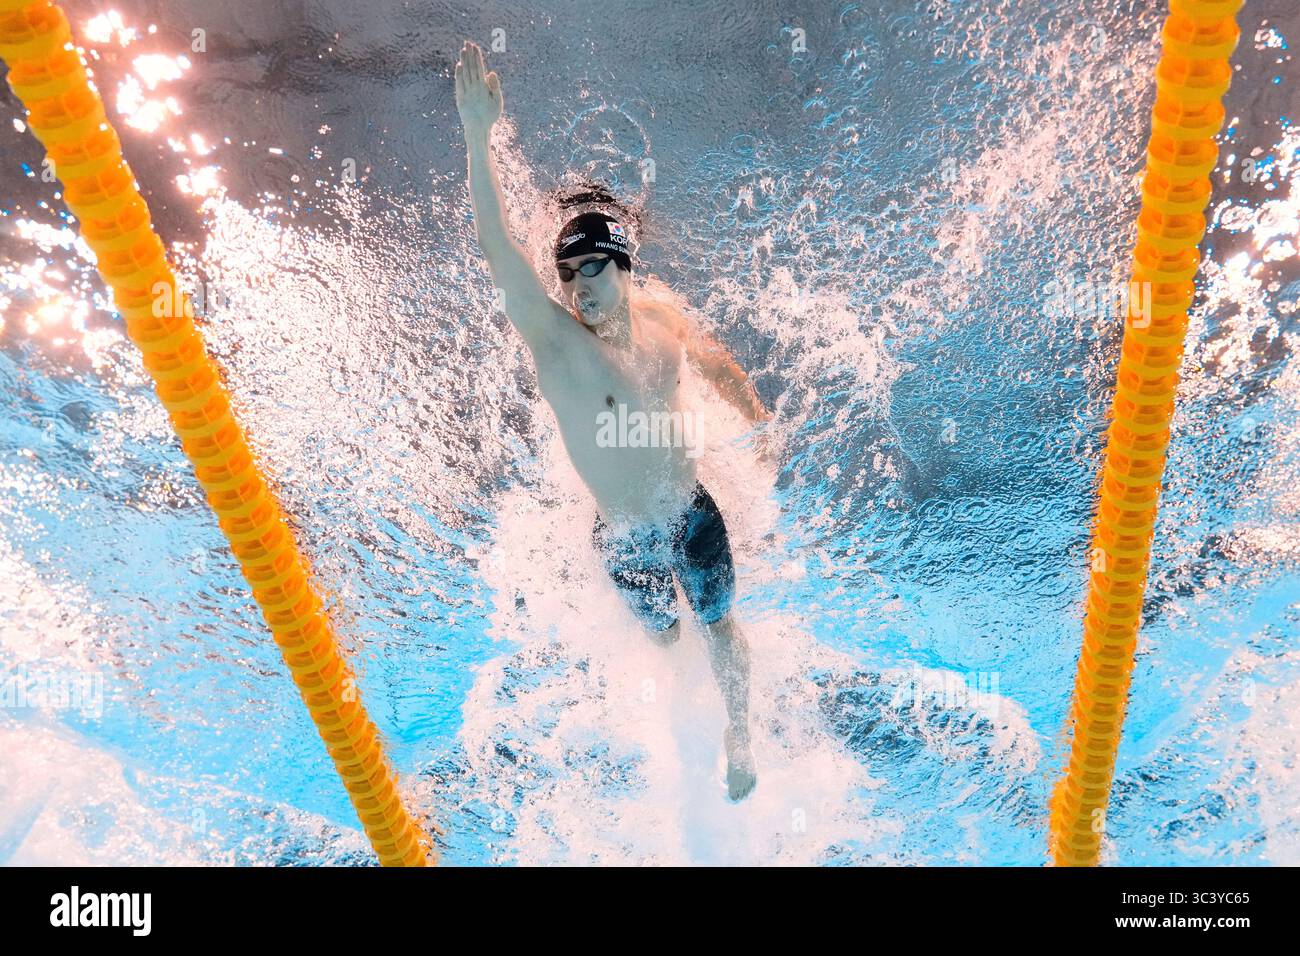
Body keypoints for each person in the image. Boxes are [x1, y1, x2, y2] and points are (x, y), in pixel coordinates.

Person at [455, 40, 771, 800]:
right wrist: (477, 135)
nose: (575, 290)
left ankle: (739, 730)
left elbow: (718, 362)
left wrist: (760, 426)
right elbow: (496, 249)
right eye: (565, 276)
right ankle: (681, 721)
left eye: (589, 270)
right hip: (624, 536)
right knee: (666, 638)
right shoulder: (561, 349)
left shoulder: (662, 321)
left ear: (623, 267)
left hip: (692, 514)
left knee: (720, 624)